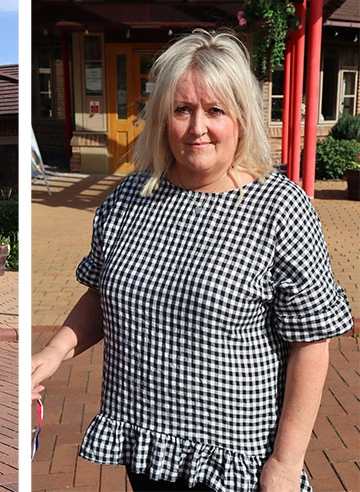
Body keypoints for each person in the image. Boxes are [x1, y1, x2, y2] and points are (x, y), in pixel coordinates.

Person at [31, 30, 353, 492]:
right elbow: (102, 291)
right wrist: (55, 350)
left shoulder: (279, 208)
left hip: (235, 460)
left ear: (241, 119)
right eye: (182, 110)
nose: (197, 127)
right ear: (163, 119)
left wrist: (285, 462)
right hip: (147, 444)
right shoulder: (128, 199)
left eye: (215, 111)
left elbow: (312, 342)